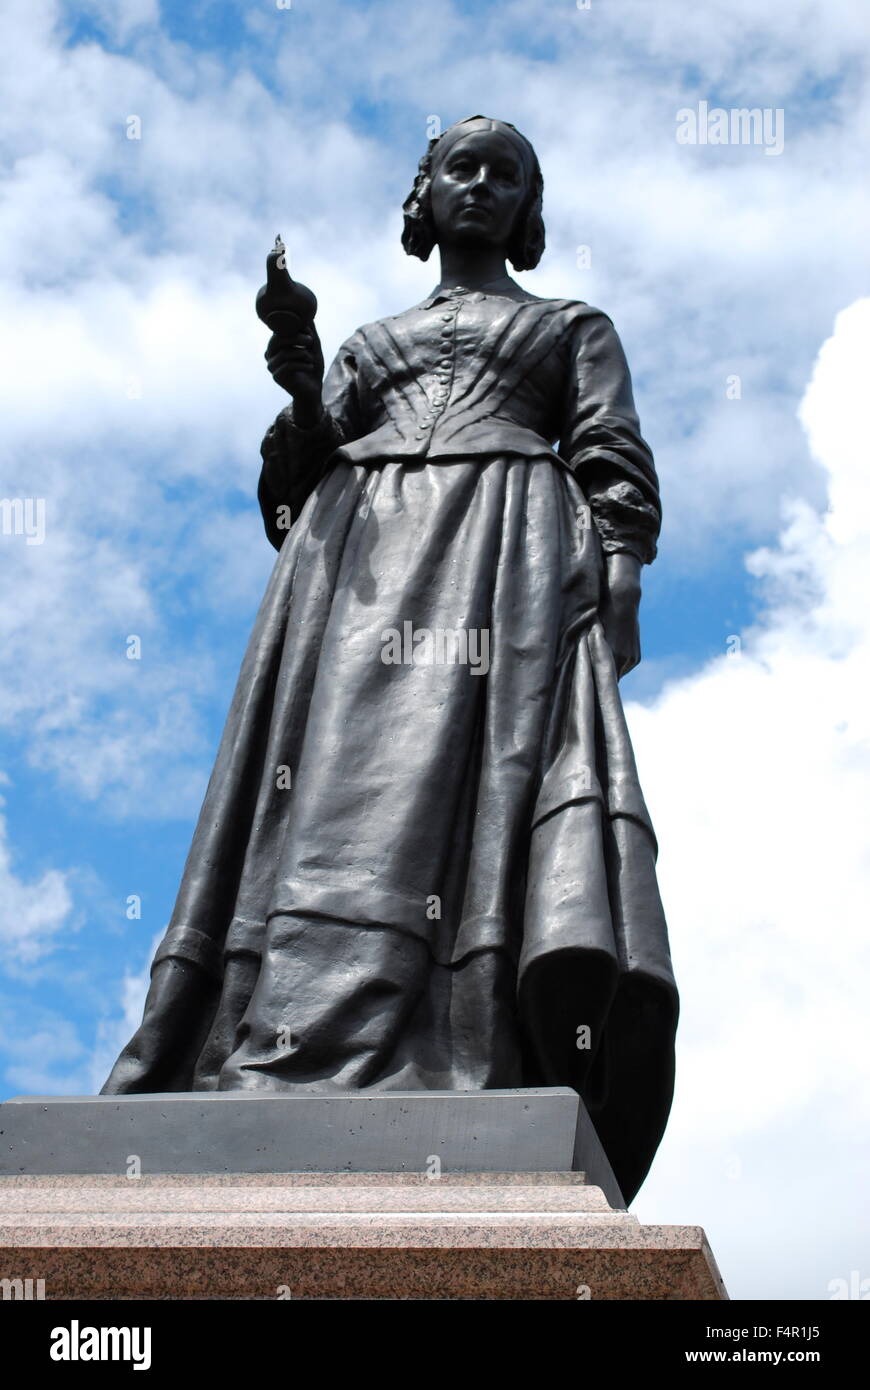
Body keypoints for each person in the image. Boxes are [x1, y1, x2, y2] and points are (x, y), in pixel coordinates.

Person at [103, 115, 678, 1204]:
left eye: (506, 174)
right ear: (423, 192)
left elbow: (610, 451)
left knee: (470, 796)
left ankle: (464, 1039)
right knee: (324, 798)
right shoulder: (370, 344)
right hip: (353, 557)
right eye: (461, 167)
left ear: (529, 205)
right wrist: (301, 377)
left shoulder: (570, 327)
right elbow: (290, 492)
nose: (481, 185)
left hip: (501, 550)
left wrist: (624, 567)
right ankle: (277, 1030)